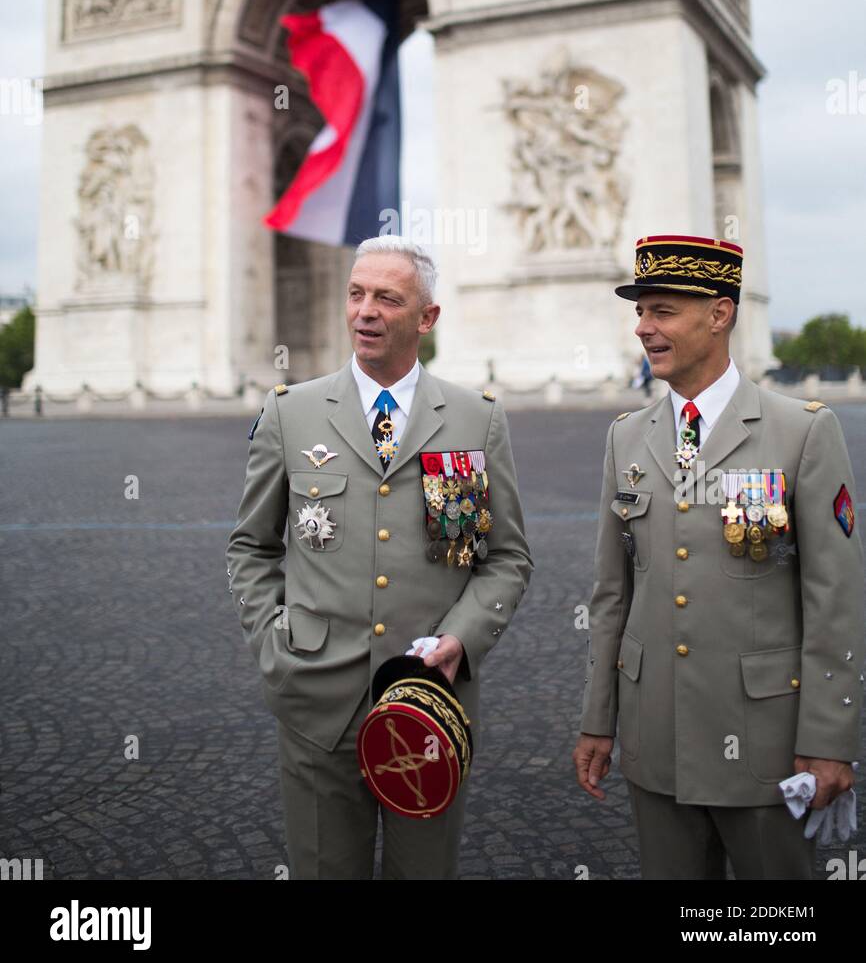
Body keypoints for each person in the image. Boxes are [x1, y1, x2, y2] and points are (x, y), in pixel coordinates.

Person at [226, 235, 532, 879]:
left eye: (387, 298)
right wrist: (271, 641)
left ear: (427, 318)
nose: (365, 311)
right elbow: (251, 547)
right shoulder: (291, 413)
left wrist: (463, 638)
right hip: (315, 695)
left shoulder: (476, 420)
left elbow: (503, 558)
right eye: (356, 294)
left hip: (430, 703)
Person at [573, 233, 864, 880]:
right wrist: (598, 723)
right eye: (640, 312)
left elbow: (833, 602)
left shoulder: (803, 433)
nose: (644, 329)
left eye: (663, 310)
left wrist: (828, 742)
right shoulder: (626, 438)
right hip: (657, 746)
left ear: (720, 312)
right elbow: (611, 595)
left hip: (766, 747)